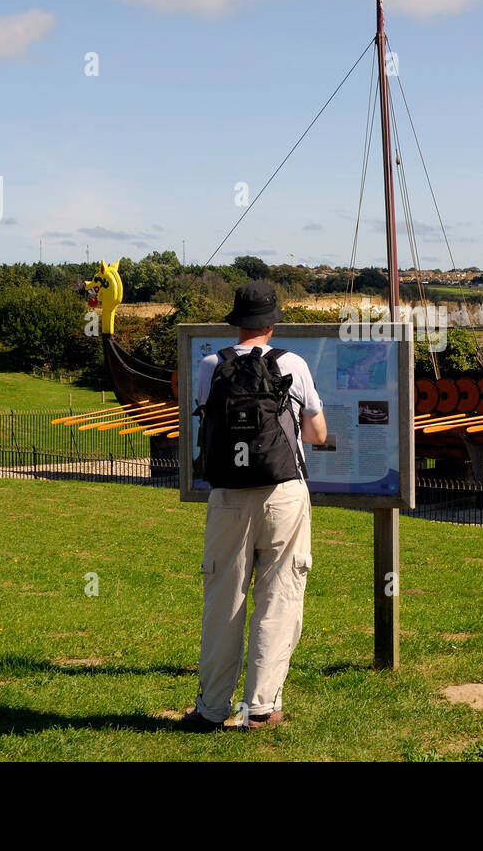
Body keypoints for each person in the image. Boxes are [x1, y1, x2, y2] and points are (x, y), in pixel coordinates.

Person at [178, 280, 327, 732]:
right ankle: (261, 707)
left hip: (227, 496)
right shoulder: (293, 364)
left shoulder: (210, 364)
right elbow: (316, 434)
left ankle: (211, 709)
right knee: (279, 596)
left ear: (237, 323)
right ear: (272, 322)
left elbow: (202, 418)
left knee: (224, 598)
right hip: (283, 492)